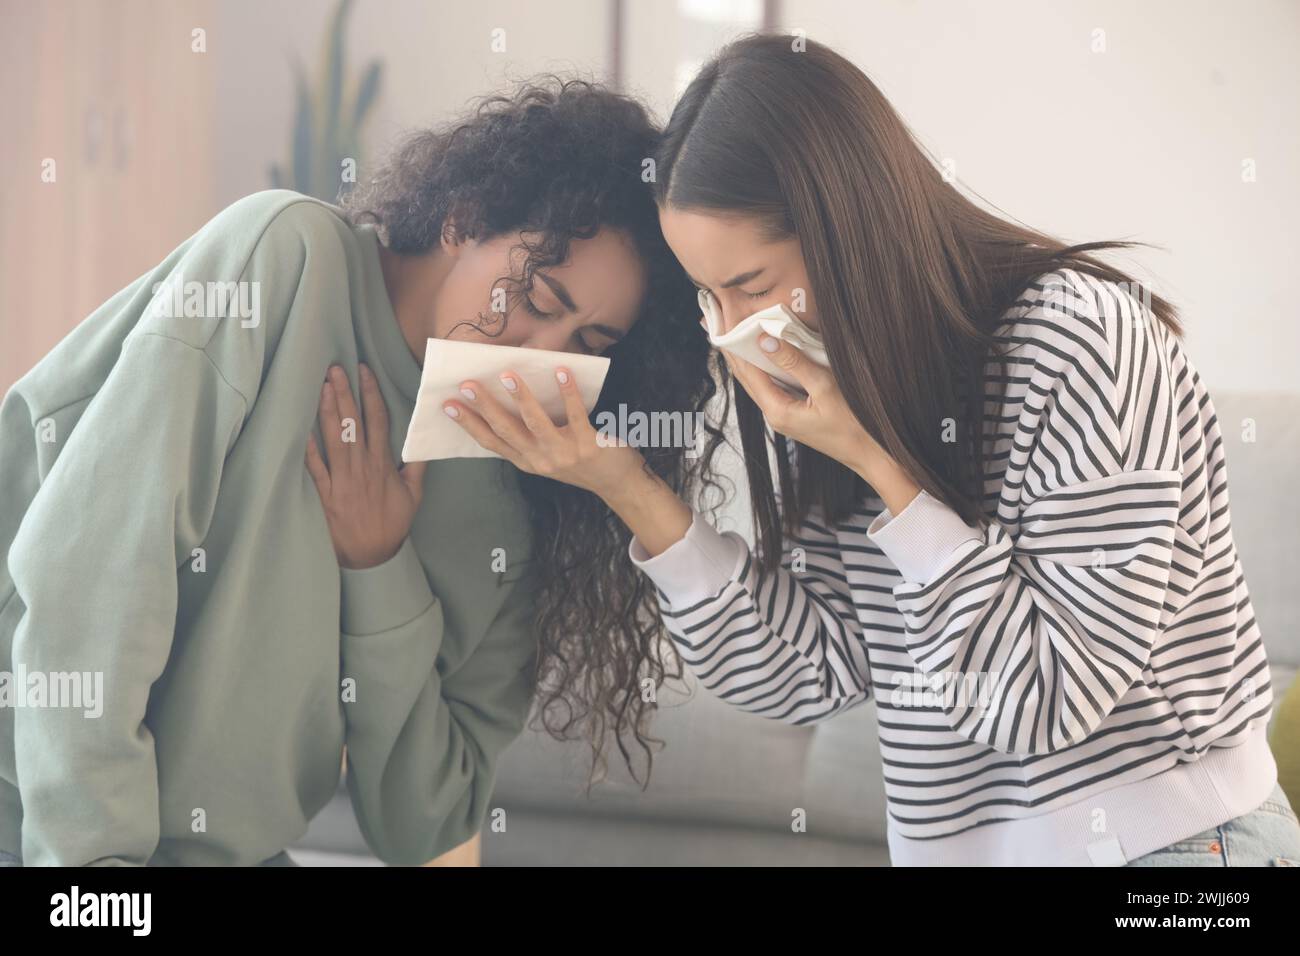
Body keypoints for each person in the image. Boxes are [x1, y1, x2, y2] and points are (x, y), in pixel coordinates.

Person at [445, 35, 1300, 866]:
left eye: (750, 284)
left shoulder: (1083, 339)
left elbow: (1044, 703)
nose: (736, 329)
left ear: (851, 223)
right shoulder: (838, 376)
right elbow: (804, 676)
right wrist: (625, 484)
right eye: (709, 295)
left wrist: (883, 468)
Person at [0, 77, 715, 865]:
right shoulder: (287, 259)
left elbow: (426, 824)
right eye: (539, 297)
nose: (540, 356)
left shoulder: (526, 494)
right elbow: (88, 582)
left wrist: (379, 570)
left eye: (589, 345)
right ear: (463, 219)